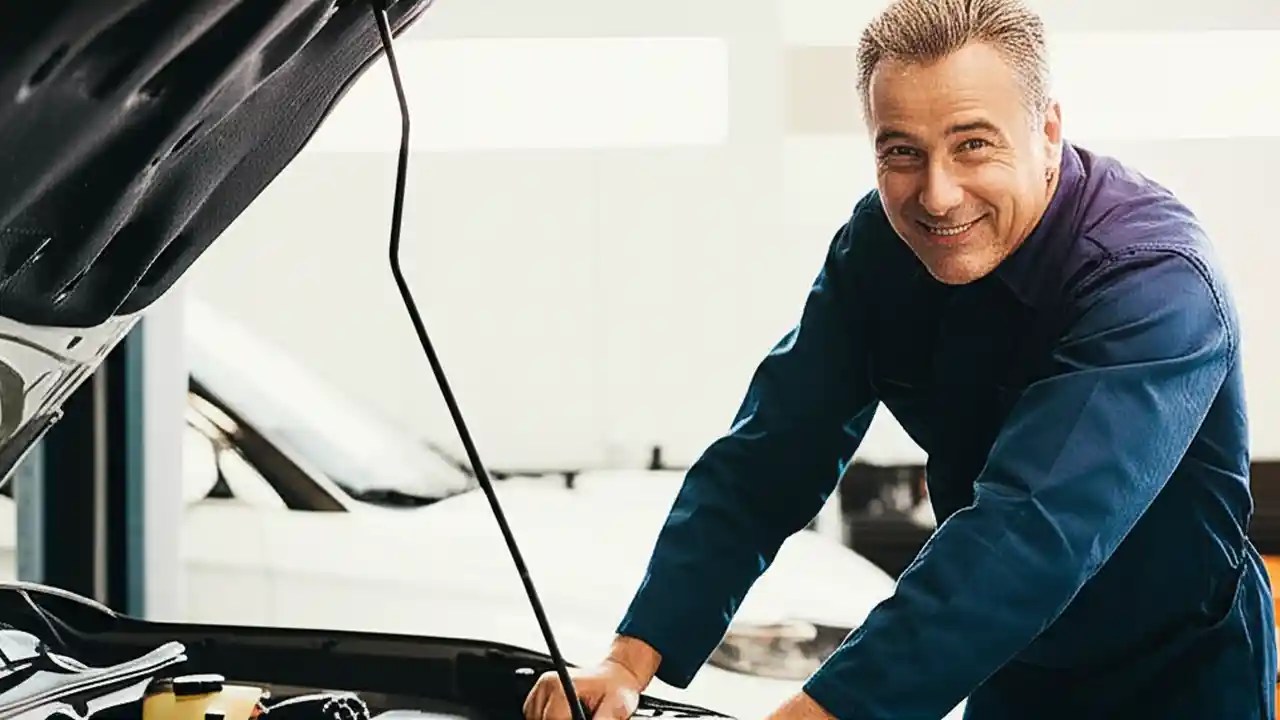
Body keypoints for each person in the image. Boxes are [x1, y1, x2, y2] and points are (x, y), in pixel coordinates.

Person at [522, 0, 1277, 717]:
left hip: (1177, 673)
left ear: (1048, 131)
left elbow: (1030, 532)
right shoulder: (880, 252)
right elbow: (772, 455)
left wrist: (819, 713)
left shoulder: (1153, 280)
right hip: (1010, 662)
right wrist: (628, 662)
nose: (937, 196)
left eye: (972, 144)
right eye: (902, 153)